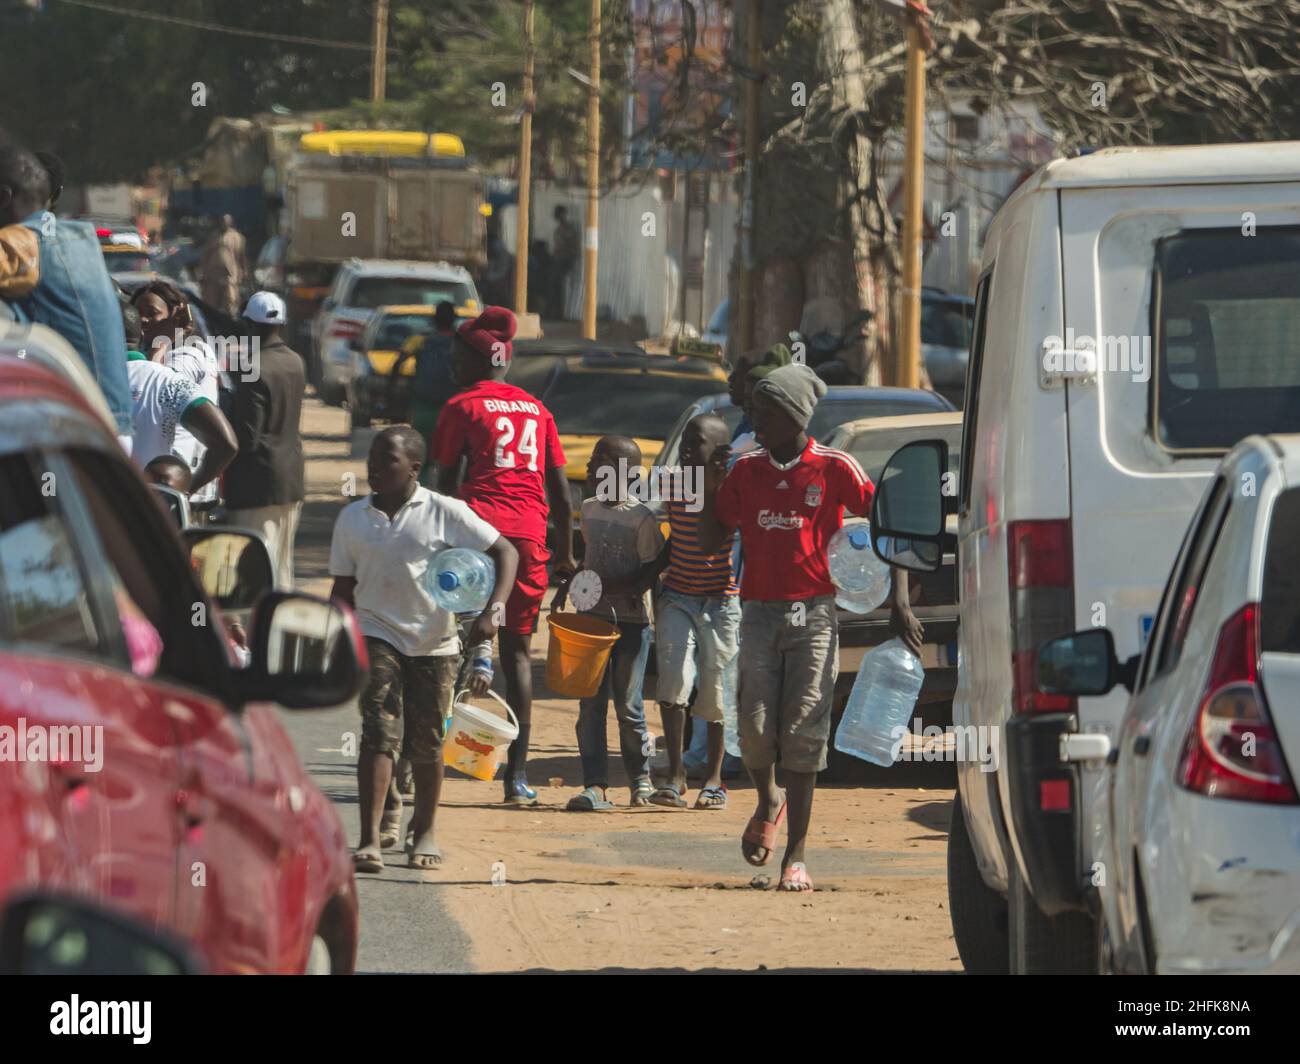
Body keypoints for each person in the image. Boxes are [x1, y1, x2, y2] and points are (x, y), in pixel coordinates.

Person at [699, 363, 923, 892]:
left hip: (815, 616)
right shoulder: (746, 469)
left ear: (796, 417)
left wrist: (901, 601)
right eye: (754, 412)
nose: (756, 421)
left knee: (803, 732)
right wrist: (712, 480)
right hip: (757, 614)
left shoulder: (833, 466)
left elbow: (892, 525)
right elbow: (714, 537)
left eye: (766, 413)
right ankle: (767, 797)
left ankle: (795, 856)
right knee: (753, 728)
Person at [330, 427, 519, 873]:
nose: (374, 466)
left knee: (427, 743)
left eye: (387, 460)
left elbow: (505, 552)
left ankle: (425, 828)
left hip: (435, 642)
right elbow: (341, 589)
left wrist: (494, 612)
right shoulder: (353, 519)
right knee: (378, 732)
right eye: (372, 457)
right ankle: (370, 838)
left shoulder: (444, 512)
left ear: (414, 468)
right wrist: (331, 637)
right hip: (375, 632)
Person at [431, 306, 576, 804]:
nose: (451, 365)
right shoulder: (538, 410)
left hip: (476, 537)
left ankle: (433, 760)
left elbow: (443, 483)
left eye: (455, 356)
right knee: (517, 651)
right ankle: (517, 779)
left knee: (449, 649)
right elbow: (559, 490)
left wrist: (436, 544)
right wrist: (566, 553)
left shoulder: (461, 406)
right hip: (530, 539)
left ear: (477, 360)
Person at [0, 146, 134, 447]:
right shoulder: (77, 242)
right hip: (109, 427)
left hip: (69, 436)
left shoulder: (20, 243)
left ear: (4, 197)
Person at [561, 436, 663, 811]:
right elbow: (589, 559)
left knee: (630, 706)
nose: (590, 467)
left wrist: (618, 586)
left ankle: (641, 781)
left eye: (602, 461)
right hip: (592, 621)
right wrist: (571, 584)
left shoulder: (641, 518)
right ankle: (595, 785)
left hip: (632, 625)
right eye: (593, 459)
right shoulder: (587, 510)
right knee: (589, 704)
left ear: (629, 474)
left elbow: (650, 570)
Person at [650, 413, 739, 810]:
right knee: (673, 682)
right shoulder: (672, 483)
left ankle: (715, 779)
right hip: (678, 596)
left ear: (719, 452)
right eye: (685, 440)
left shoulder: (733, 490)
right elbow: (667, 538)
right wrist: (646, 573)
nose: (686, 448)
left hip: (721, 600)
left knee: (716, 690)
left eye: (696, 442)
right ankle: (675, 774)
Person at [222, 292, 306, 590]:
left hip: (255, 483)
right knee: (282, 568)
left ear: (249, 324)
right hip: (290, 478)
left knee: (254, 572)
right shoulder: (295, 361)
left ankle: (256, 633)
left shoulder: (250, 365)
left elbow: (247, 436)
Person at [122, 299, 238, 492]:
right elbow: (227, 444)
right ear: (141, 335)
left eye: (152, 313)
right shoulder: (168, 381)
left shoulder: (77, 378)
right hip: (151, 508)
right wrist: (183, 492)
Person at [131, 280, 223, 515]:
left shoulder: (186, 355)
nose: (143, 320)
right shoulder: (189, 350)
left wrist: (158, 349)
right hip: (177, 484)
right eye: (138, 314)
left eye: (152, 313)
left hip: (179, 486)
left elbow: (155, 384)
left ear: (175, 317)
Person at [392, 299, 457, 464]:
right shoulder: (460, 343)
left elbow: (397, 364)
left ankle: (423, 483)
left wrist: (396, 388)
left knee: (421, 453)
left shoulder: (419, 341)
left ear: (434, 319)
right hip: (452, 407)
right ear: (454, 319)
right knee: (448, 453)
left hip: (422, 404)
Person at [200, 214, 246, 316]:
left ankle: (230, 324)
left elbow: (241, 257)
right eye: (222, 221)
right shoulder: (213, 236)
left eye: (226, 221)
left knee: (230, 301)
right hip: (213, 275)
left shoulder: (236, 237)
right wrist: (203, 273)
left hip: (229, 275)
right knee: (211, 303)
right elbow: (205, 255)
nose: (224, 224)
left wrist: (242, 273)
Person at [550, 205, 579, 319]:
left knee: (558, 285)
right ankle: (555, 312)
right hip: (558, 258)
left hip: (565, 259)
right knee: (554, 285)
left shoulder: (568, 229)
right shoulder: (558, 229)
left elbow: (572, 245)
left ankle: (559, 313)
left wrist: (563, 250)